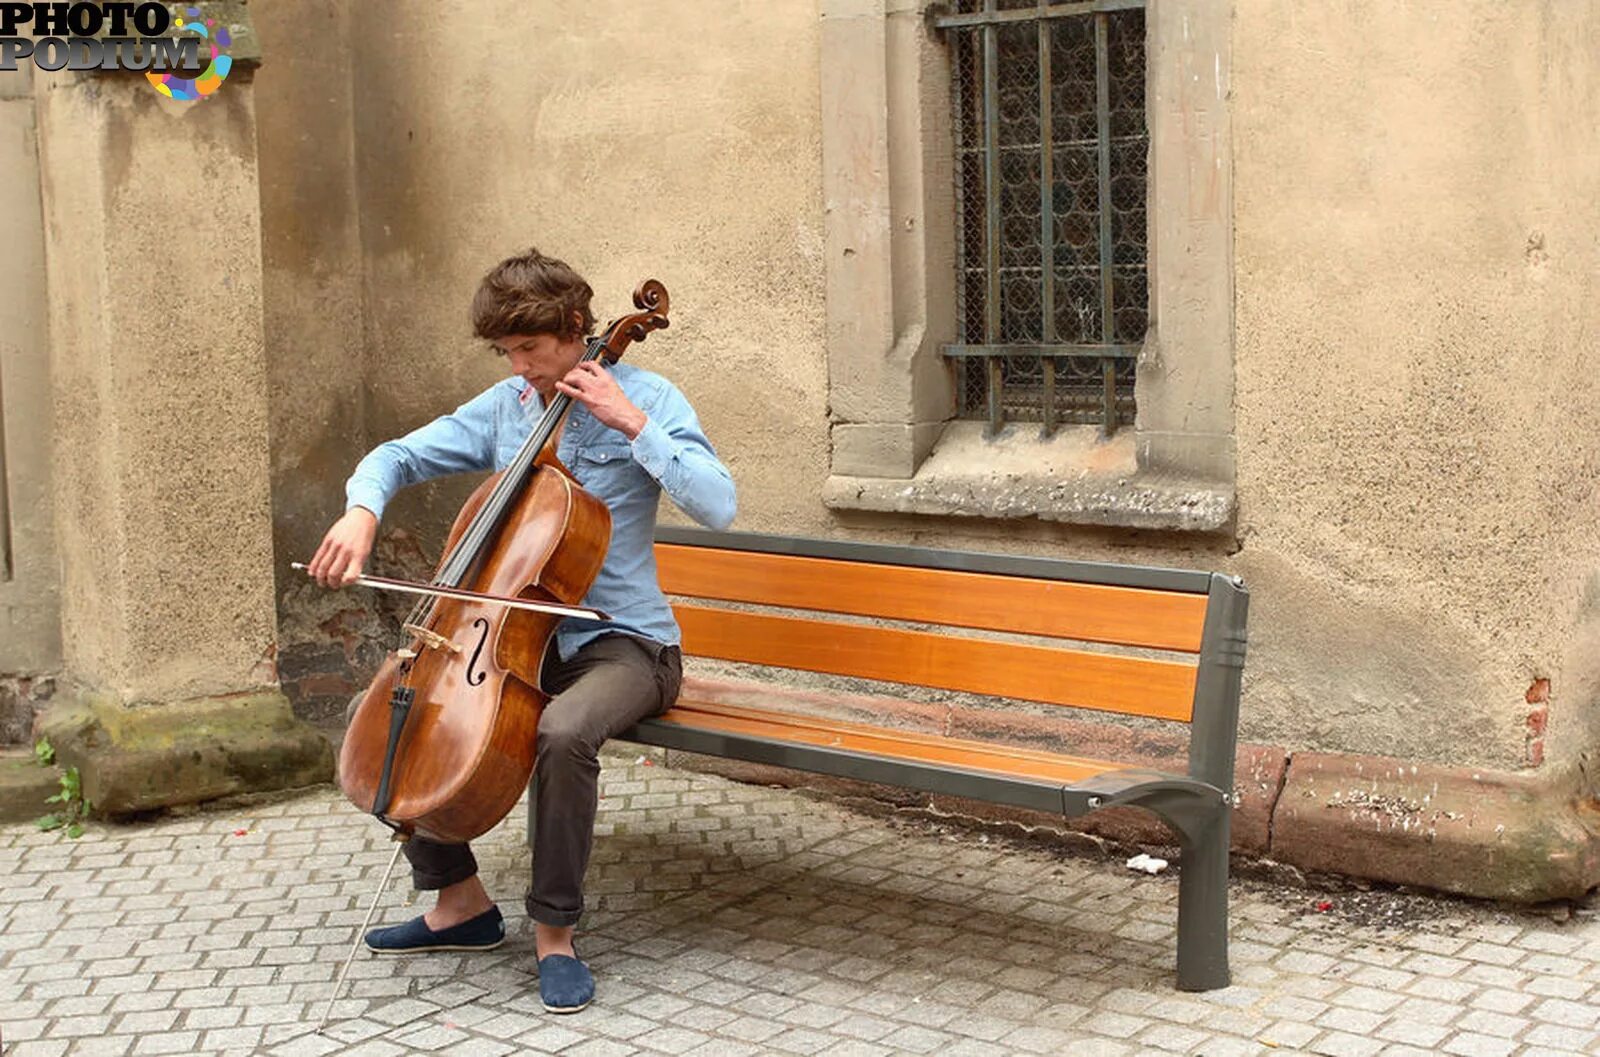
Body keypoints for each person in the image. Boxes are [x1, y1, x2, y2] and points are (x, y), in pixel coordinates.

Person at [306, 248, 736, 1014]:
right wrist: (362, 507)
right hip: (509, 642)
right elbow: (396, 455)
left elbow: (719, 503)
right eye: (507, 352)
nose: (521, 367)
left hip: (623, 642)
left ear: (575, 327)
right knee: (397, 712)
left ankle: (555, 933)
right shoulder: (508, 404)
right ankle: (460, 903)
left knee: (565, 732)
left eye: (530, 350)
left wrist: (632, 423)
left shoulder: (652, 397)